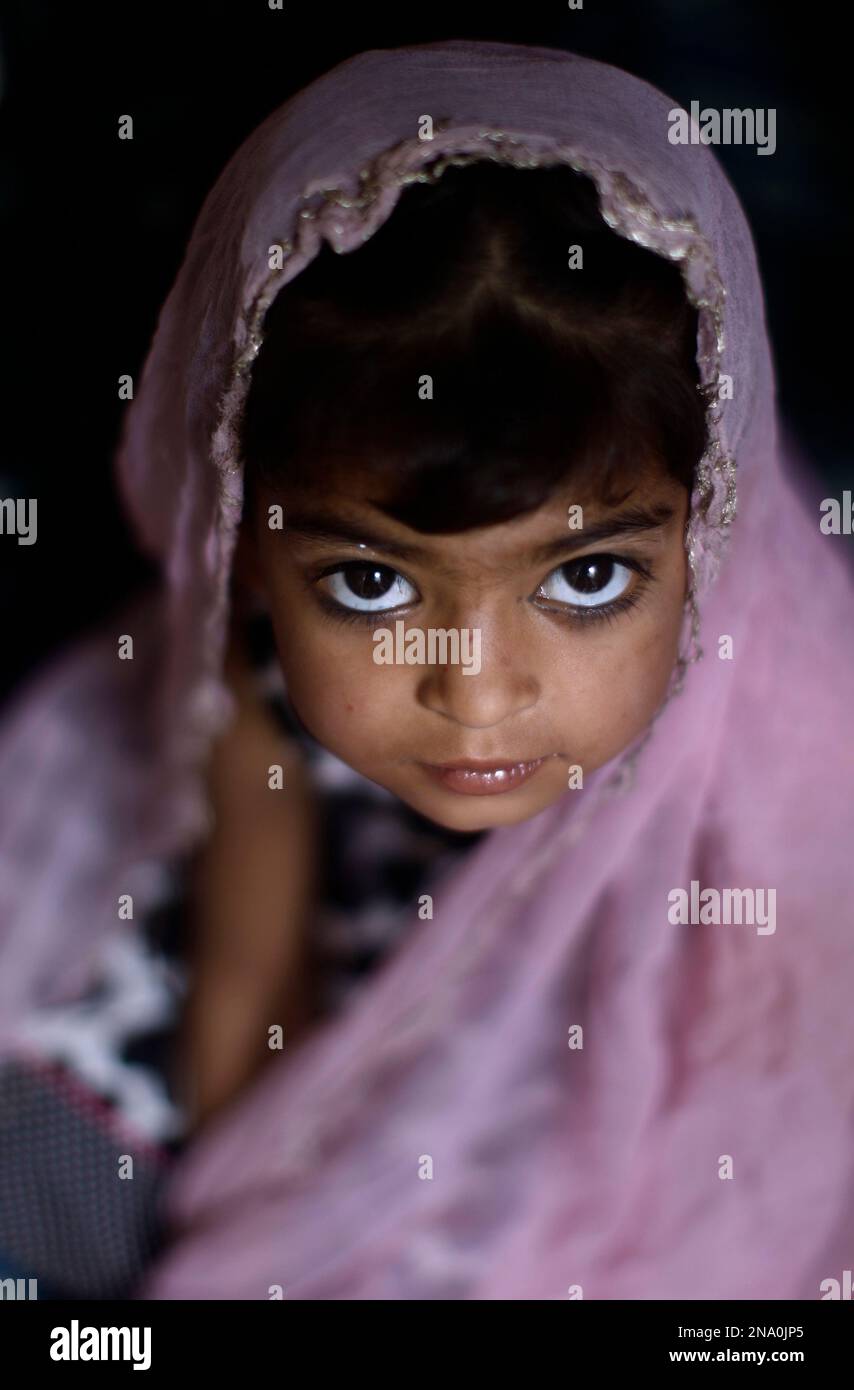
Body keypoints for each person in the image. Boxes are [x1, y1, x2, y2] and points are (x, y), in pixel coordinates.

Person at [0, 39, 851, 1301]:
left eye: (585, 580)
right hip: (341, 1028)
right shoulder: (248, 691)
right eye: (370, 583)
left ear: (711, 537)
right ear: (241, 544)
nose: (477, 692)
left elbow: (775, 1074)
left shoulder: (786, 770)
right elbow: (250, 998)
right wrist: (263, 1236)